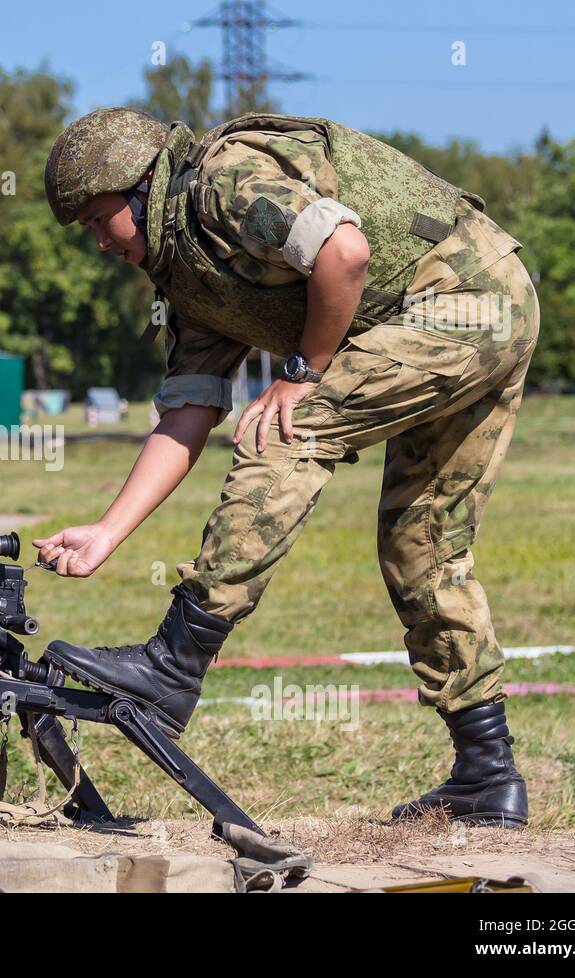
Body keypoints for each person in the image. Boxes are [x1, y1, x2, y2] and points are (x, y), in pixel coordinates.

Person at [35, 108, 537, 827]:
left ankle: (175, 666)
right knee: (421, 543)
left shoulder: (220, 185)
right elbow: (186, 412)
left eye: (95, 218)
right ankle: (489, 775)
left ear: (140, 187)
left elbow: (343, 251)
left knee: (282, 431)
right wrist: (108, 532)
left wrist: (303, 372)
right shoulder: (188, 272)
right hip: (496, 301)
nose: (96, 241)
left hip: (460, 302)